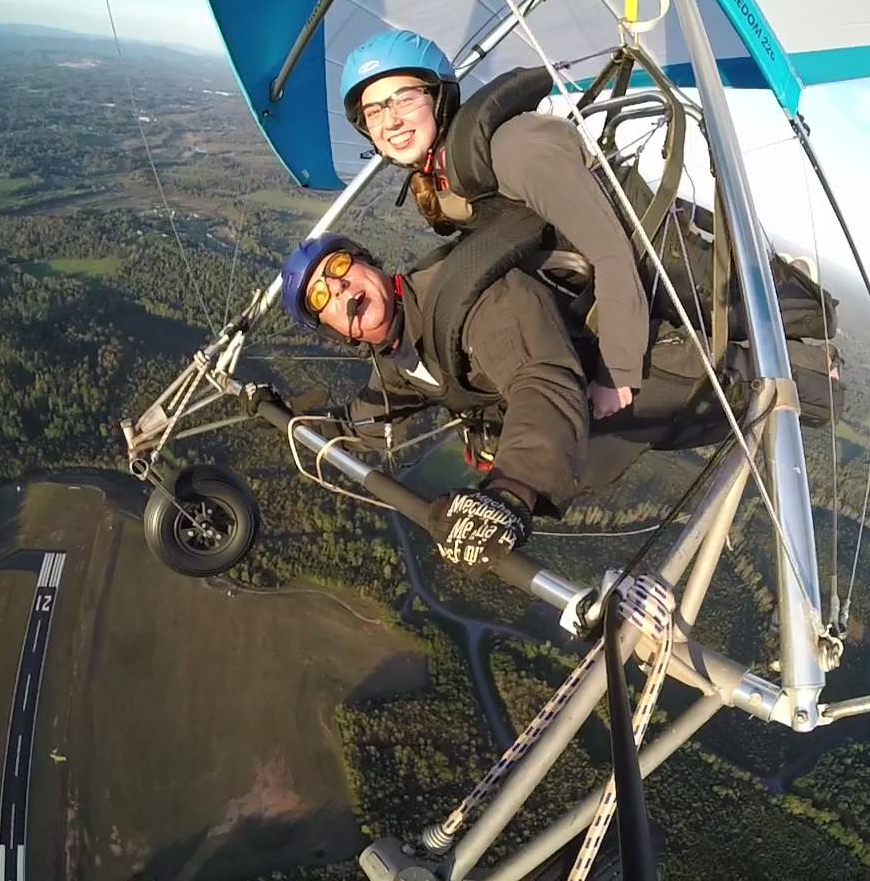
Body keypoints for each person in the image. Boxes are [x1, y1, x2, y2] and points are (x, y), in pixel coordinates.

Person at [338, 29, 649, 421]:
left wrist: (616, 373)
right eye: (374, 112)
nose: (391, 121)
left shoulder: (515, 150)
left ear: (439, 99)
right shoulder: (448, 179)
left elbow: (610, 251)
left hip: (651, 292)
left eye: (404, 98)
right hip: (578, 303)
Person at [278, 229, 591, 573]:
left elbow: (542, 380)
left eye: (338, 266)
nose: (336, 287)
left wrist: (510, 489)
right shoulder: (396, 356)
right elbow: (363, 425)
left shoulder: (461, 298)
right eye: (320, 297)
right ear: (337, 332)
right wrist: (292, 418)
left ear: (369, 263)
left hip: (607, 402)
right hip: (570, 439)